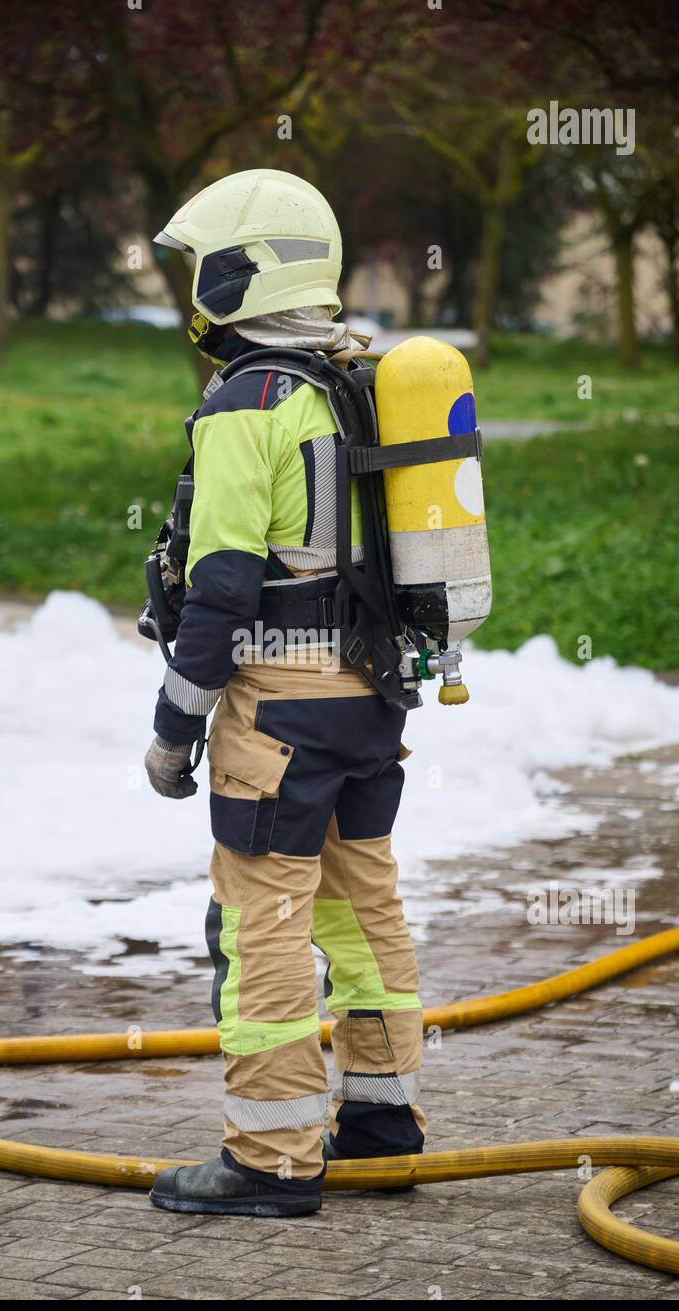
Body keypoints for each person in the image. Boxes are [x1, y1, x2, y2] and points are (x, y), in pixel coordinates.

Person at [145, 169, 425, 1217]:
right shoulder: (354, 381)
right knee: (361, 908)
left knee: (259, 922)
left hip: (279, 706)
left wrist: (172, 732)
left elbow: (217, 592)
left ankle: (267, 1161)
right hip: (370, 694)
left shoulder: (244, 402)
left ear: (235, 274)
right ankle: (381, 1125)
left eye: (198, 266)